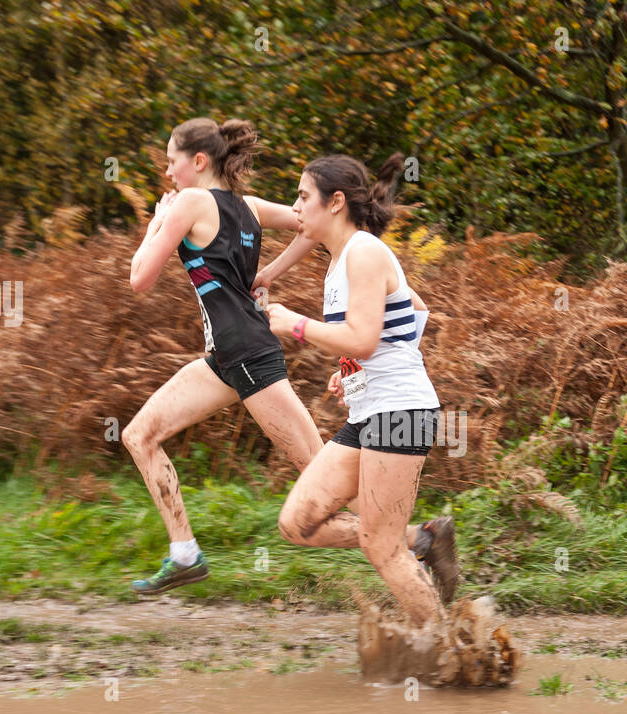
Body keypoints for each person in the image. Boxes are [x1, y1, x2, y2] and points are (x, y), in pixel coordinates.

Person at [126, 120, 449, 597]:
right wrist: (269, 271)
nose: (167, 172)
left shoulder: (189, 202)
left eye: (171, 160)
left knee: (322, 485)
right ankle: (184, 554)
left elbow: (138, 279)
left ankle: (418, 540)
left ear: (198, 162)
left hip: (250, 356)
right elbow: (310, 224)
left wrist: (156, 221)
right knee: (140, 435)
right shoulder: (247, 206)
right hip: (225, 358)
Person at [258, 153, 459, 627]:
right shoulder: (341, 262)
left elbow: (366, 337)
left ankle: (448, 653)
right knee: (297, 522)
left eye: (303, 196)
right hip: (371, 412)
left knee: (380, 545)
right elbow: (415, 309)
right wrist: (353, 370)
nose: (296, 207)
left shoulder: (365, 252)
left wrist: (297, 325)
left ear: (336, 202)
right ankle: (428, 540)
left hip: (401, 411)